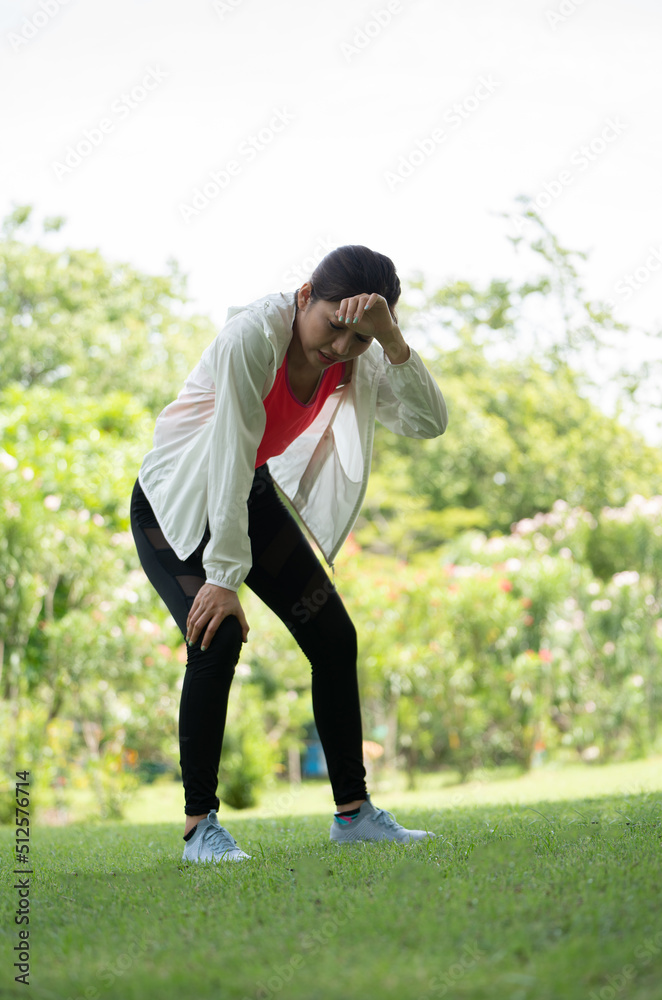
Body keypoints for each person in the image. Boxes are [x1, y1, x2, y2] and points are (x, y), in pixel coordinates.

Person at [130, 244, 448, 862]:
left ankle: (354, 816)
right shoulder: (252, 337)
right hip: (174, 502)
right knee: (217, 635)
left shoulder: (358, 354)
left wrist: (390, 339)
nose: (341, 347)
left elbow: (428, 421)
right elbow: (228, 451)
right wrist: (224, 579)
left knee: (333, 635)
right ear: (305, 296)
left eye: (360, 337)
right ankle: (199, 829)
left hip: (244, 491)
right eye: (334, 326)